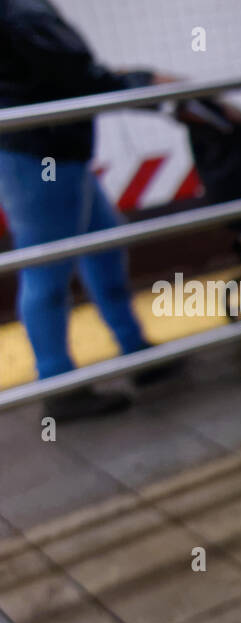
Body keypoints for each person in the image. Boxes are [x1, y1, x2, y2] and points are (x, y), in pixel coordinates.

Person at [0, 0, 173, 417]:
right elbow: (74, 76)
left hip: (55, 150)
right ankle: (60, 386)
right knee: (47, 270)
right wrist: (142, 82)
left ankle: (134, 348)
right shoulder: (21, 13)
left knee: (104, 246)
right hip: (40, 154)